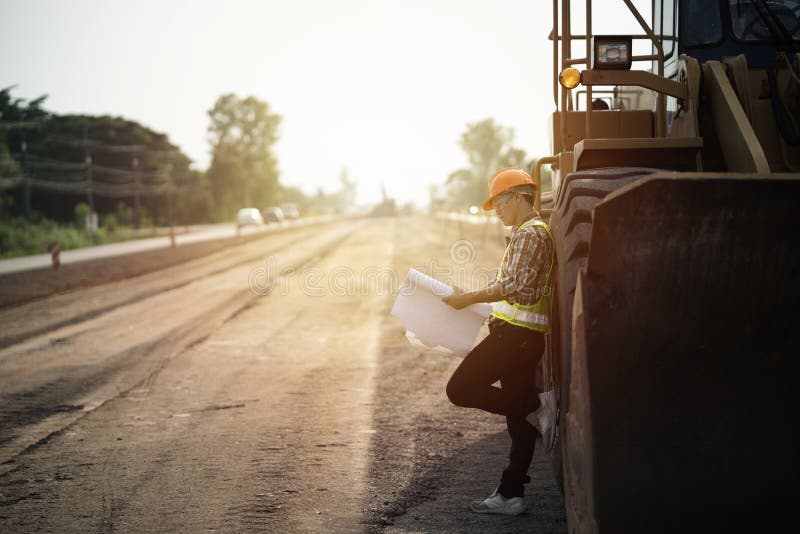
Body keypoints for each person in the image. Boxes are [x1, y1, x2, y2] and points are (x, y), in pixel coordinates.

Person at [442, 167, 554, 516]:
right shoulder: (524, 233)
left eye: (500, 203)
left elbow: (517, 288)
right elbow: (512, 290)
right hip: (519, 335)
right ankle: (511, 495)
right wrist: (471, 303)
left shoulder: (530, 235)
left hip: (515, 338)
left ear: (518, 197)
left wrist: (470, 298)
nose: (498, 211)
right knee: (517, 424)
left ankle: (536, 404)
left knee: (459, 389)